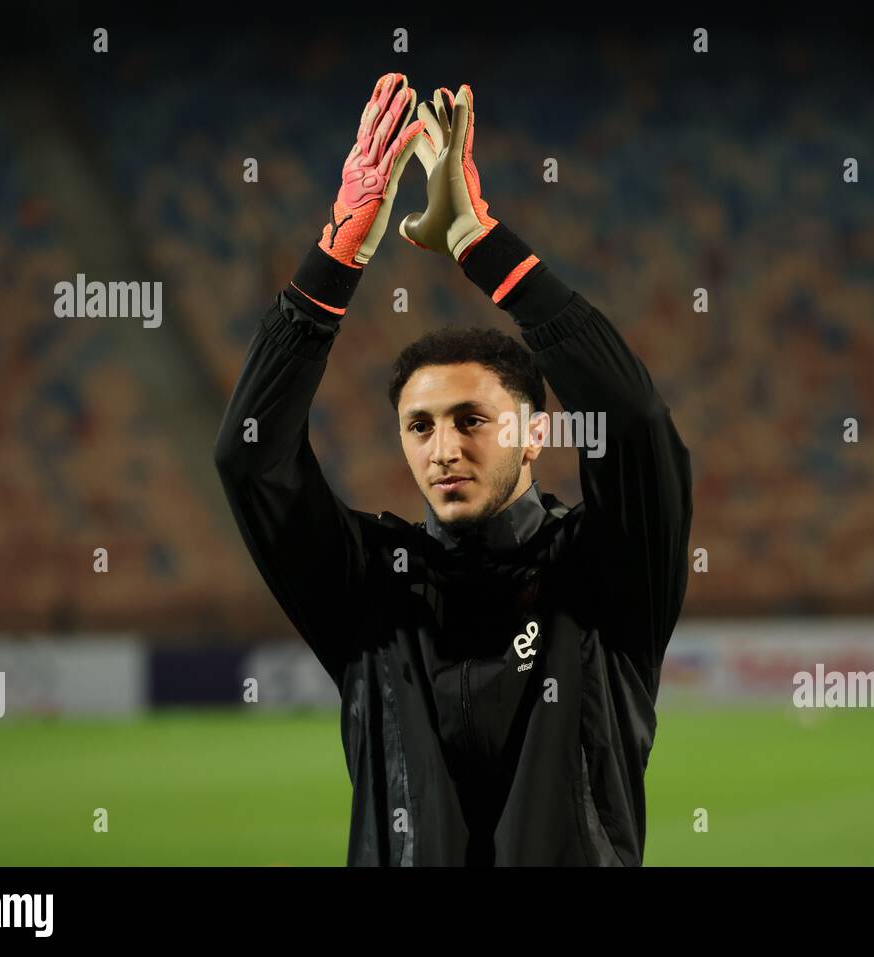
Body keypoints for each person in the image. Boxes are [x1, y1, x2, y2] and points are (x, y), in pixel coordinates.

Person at [214, 73, 693, 865]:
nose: (444, 448)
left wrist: (485, 247)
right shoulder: (369, 587)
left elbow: (636, 423)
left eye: (473, 420)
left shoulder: (608, 577)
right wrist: (336, 255)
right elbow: (249, 455)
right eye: (420, 425)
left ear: (534, 433)